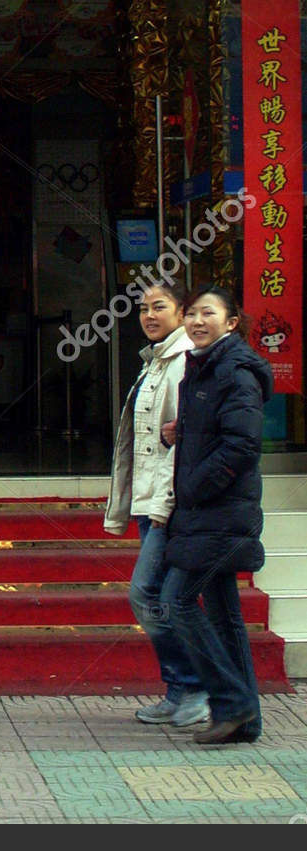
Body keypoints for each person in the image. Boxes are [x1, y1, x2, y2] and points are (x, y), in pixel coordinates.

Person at [161, 284, 273, 745]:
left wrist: (191, 485)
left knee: (177, 600)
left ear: (231, 323)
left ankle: (233, 702)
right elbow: (218, 433)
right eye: (191, 314)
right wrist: (181, 434)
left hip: (221, 513)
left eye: (208, 313)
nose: (196, 321)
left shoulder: (234, 371)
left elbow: (243, 445)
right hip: (210, 513)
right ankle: (245, 719)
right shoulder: (205, 368)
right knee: (225, 615)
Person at [104, 278, 207, 727]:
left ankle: (196, 686)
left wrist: (163, 508)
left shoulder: (183, 362)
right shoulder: (158, 360)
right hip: (153, 503)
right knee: (163, 597)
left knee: (148, 594)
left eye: (159, 306)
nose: (148, 315)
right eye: (143, 308)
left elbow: (180, 447)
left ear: (182, 311)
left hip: (171, 505)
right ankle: (183, 689)